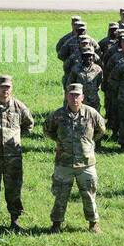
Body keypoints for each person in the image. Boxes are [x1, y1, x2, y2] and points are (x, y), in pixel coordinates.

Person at [43, 83, 105, 233]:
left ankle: (93, 223)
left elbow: (101, 130)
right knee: (60, 195)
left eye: (77, 95)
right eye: (71, 95)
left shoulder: (91, 114)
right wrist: (61, 143)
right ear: (66, 96)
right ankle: (56, 223)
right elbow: (48, 130)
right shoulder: (57, 115)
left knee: (89, 195)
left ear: (82, 97)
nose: (74, 98)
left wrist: (87, 145)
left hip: (86, 164)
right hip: (64, 163)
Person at [0, 75, 34, 232]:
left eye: (7, 87)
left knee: (14, 189)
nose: (5, 90)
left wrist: (16, 138)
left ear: (11, 88)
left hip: (13, 159)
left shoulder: (19, 107)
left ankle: (14, 220)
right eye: (2, 87)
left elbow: (29, 125)